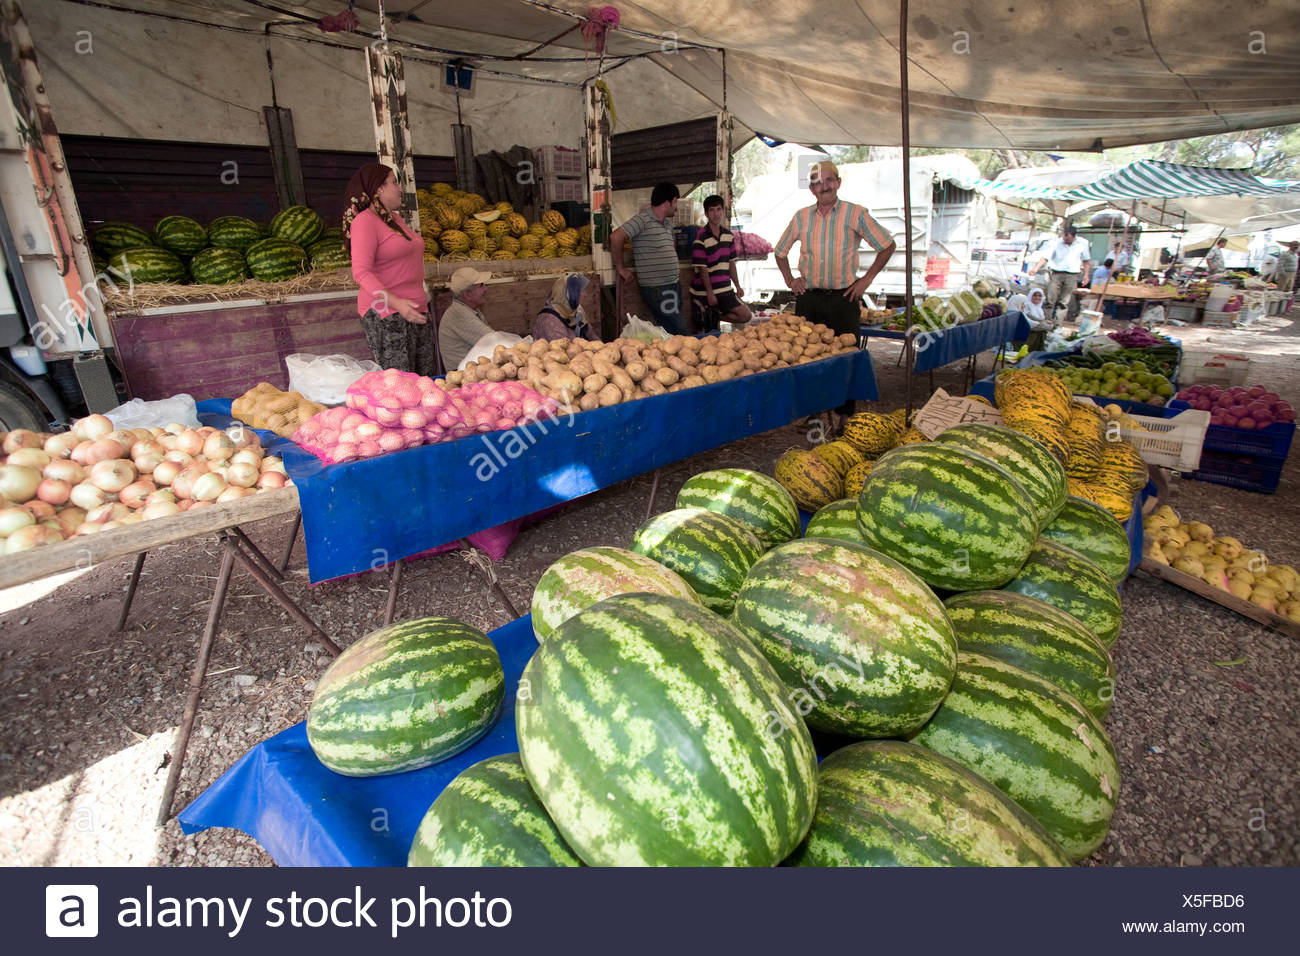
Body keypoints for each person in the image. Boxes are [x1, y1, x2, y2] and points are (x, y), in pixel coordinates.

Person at [774, 160, 895, 425]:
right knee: (809, 357)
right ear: (811, 189)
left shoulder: (855, 214)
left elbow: (887, 245)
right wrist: (790, 280)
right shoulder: (801, 217)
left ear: (838, 183)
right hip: (810, 299)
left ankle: (844, 416)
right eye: (817, 182)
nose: (824, 186)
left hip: (845, 298)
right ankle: (814, 411)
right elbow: (780, 251)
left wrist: (866, 279)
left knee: (846, 358)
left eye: (829, 180)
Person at [344, 163, 434, 373]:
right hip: (386, 313)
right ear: (378, 189)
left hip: (414, 309)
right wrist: (397, 304)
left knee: (426, 383)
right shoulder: (365, 222)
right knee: (402, 386)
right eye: (394, 182)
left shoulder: (396, 220)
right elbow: (361, 273)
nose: (400, 188)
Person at [610, 183, 688, 335]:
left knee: (669, 329)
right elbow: (616, 237)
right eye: (675, 202)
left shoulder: (667, 223)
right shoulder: (642, 220)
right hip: (659, 287)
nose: (676, 207)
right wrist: (620, 268)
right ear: (668, 202)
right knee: (679, 327)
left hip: (672, 285)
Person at [690, 194, 752, 329]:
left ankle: (715, 315)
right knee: (705, 331)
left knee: (746, 315)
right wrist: (710, 293)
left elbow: (731, 263)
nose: (716, 214)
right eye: (712, 210)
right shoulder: (701, 236)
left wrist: (738, 286)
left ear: (723, 211)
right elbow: (702, 268)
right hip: (705, 291)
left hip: (724, 288)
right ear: (706, 213)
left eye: (719, 209)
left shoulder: (728, 235)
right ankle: (711, 315)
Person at [1030, 223, 1091, 326]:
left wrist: (1086, 275)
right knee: (1050, 298)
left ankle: (1057, 324)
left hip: (1072, 274)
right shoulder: (1056, 243)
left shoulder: (1082, 244)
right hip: (1056, 273)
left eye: (1068, 238)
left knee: (1064, 301)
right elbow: (1045, 257)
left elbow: (1086, 261)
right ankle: (1046, 321)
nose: (1065, 240)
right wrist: (1035, 268)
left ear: (1073, 236)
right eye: (1064, 237)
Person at [439, 267, 495, 371]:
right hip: (463, 375)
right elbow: (493, 340)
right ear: (468, 294)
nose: (485, 289)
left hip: (475, 369)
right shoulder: (459, 314)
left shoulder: (469, 309)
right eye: (481, 286)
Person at [534, 274, 599, 342]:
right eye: (581, 291)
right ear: (570, 294)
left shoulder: (577, 311)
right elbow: (563, 348)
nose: (585, 294)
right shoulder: (549, 319)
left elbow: (592, 336)